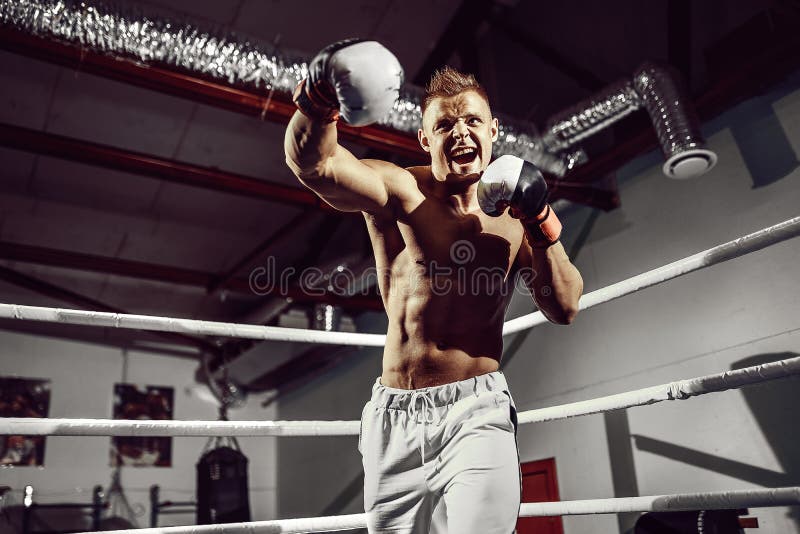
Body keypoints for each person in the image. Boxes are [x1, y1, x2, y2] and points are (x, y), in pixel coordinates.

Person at [285, 39, 583, 534]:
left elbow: (567, 305)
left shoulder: (518, 219)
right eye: (444, 124)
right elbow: (315, 167)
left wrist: (540, 219)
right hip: (394, 417)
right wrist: (317, 100)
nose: (459, 132)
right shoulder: (401, 189)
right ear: (425, 139)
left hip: (476, 412)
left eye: (471, 121)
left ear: (493, 132)